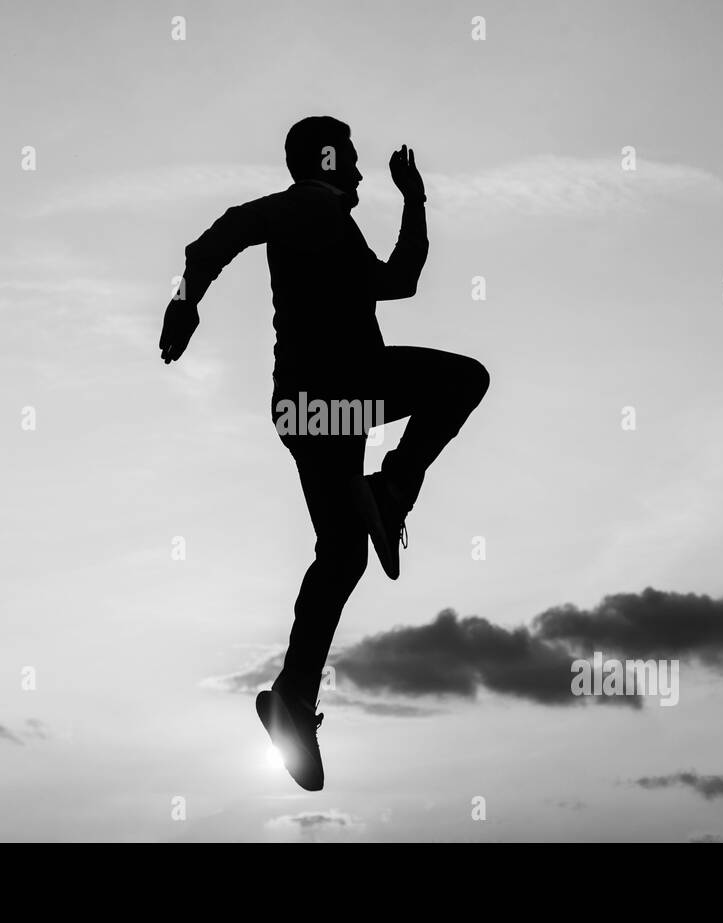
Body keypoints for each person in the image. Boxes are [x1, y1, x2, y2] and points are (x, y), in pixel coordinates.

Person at [159, 116, 489, 790]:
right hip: (346, 393)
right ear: (328, 159)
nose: (363, 173)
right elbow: (400, 280)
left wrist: (186, 303)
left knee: (342, 553)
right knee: (463, 380)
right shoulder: (311, 204)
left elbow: (216, 243)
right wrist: (415, 199)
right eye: (355, 162)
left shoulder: (324, 220)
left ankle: (291, 700)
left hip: (304, 412)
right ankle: (393, 490)